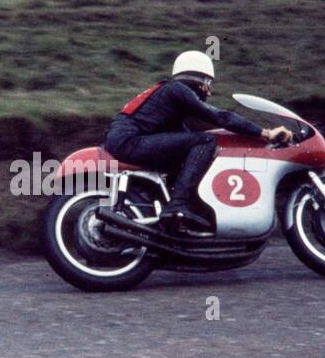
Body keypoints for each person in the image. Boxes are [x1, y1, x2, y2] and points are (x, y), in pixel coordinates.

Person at [104, 51, 293, 233]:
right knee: (205, 141)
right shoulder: (177, 90)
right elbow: (220, 117)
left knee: (194, 149)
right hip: (130, 142)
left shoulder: (167, 96)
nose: (208, 91)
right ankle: (177, 206)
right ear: (199, 78)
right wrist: (265, 133)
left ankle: (177, 213)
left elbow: (182, 135)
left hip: (127, 140)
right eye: (208, 82)